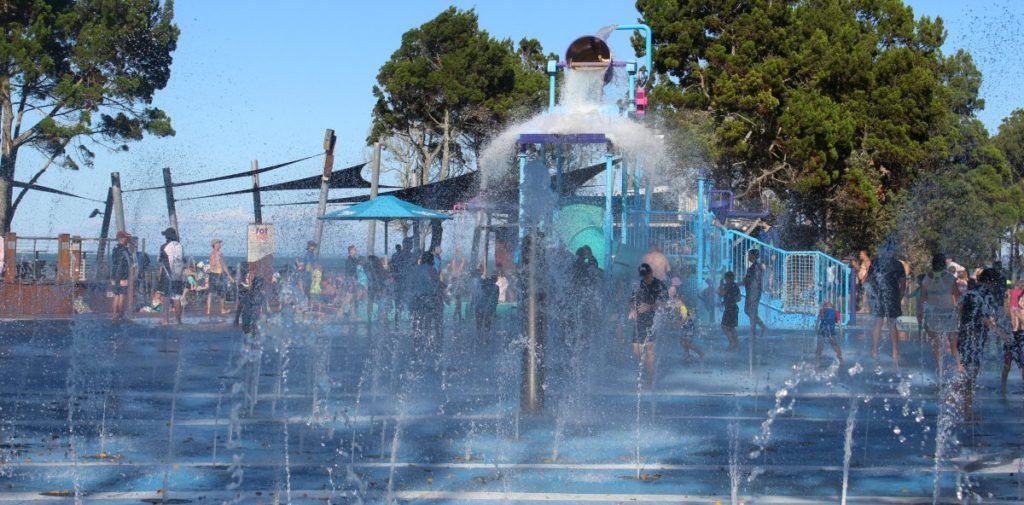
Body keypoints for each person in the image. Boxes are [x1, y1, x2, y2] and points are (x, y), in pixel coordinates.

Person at [957, 268, 1011, 419]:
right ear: (990, 282)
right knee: (972, 373)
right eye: (995, 283)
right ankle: (967, 411)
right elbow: (983, 317)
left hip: (964, 335)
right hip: (973, 337)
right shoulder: (984, 293)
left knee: (970, 372)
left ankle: (960, 402)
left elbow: (959, 309)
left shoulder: (970, 292)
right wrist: (1001, 333)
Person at [628, 263, 667, 388]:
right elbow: (632, 300)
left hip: (653, 320)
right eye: (642, 276)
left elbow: (665, 304)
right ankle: (647, 369)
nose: (645, 278)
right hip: (639, 321)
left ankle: (650, 380)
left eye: (646, 276)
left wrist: (650, 306)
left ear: (651, 273)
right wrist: (632, 310)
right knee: (636, 350)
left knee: (650, 351)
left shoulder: (659, 285)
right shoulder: (638, 285)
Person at [921, 253, 959, 377]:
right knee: (953, 342)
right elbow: (957, 295)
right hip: (948, 313)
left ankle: (940, 368)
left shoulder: (926, 279)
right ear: (943, 264)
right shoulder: (950, 278)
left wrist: (922, 315)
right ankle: (959, 365)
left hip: (934, 314)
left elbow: (923, 298)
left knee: (937, 343)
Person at [869, 248, 906, 370]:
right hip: (893, 296)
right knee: (892, 323)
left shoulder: (876, 262)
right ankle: (895, 351)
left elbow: (870, 280)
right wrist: (900, 297)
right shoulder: (897, 264)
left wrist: (873, 296)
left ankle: (874, 350)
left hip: (879, 295)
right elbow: (903, 283)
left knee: (878, 322)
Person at [667, 282, 703, 362]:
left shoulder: (680, 304)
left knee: (686, 343)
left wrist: (679, 323)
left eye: (671, 291)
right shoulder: (674, 302)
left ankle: (700, 352)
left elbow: (685, 316)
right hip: (686, 326)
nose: (669, 292)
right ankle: (688, 356)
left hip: (688, 326)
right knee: (683, 342)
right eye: (669, 290)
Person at [158, 227, 184, 325]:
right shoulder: (180, 246)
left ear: (167, 237)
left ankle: (165, 320)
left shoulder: (164, 246)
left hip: (167, 275)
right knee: (177, 298)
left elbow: (160, 261)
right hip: (177, 275)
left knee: (166, 297)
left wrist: (160, 276)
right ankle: (178, 320)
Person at [1002, 278, 1024, 395]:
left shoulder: (1017, 310)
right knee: (1008, 363)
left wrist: (1017, 315)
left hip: (1017, 337)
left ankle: (1003, 387)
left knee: (1018, 364)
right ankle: (1003, 388)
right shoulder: (1015, 310)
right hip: (1014, 337)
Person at [743, 249, 767, 341]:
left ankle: (753, 334)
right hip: (751, 292)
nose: (748, 257)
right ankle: (761, 328)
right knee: (749, 311)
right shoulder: (754, 267)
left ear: (753, 256)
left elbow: (756, 281)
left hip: (754, 292)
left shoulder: (756, 267)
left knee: (751, 312)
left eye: (749, 255)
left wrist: (746, 282)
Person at [206, 239, 234, 317]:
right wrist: (229, 276)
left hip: (212, 274)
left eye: (220, 243)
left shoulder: (211, 254)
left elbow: (212, 264)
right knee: (222, 293)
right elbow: (223, 265)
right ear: (214, 245)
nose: (220, 245)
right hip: (218, 275)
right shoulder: (219, 253)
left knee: (210, 293)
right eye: (218, 243)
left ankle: (208, 310)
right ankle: (222, 309)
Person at [110, 230, 133, 321]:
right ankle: (120, 315)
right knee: (122, 295)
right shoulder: (124, 249)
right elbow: (129, 262)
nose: (127, 239)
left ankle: (114, 315)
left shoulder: (115, 248)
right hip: (122, 275)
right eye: (126, 238)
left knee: (116, 295)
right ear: (121, 238)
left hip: (114, 274)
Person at [815, 301, 843, 368]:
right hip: (831, 331)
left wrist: (816, 329)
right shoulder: (836, 312)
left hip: (822, 331)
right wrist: (841, 332)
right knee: (835, 346)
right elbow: (839, 324)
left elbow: (818, 321)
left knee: (819, 348)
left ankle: (817, 363)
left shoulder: (822, 311)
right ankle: (841, 359)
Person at [719, 272, 741, 351]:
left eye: (725, 278)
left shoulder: (727, 285)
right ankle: (736, 344)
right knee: (732, 327)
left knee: (724, 326)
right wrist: (729, 300)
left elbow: (721, 293)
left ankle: (732, 342)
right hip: (734, 308)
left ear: (727, 278)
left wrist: (721, 284)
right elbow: (739, 298)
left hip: (729, 309)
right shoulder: (735, 286)